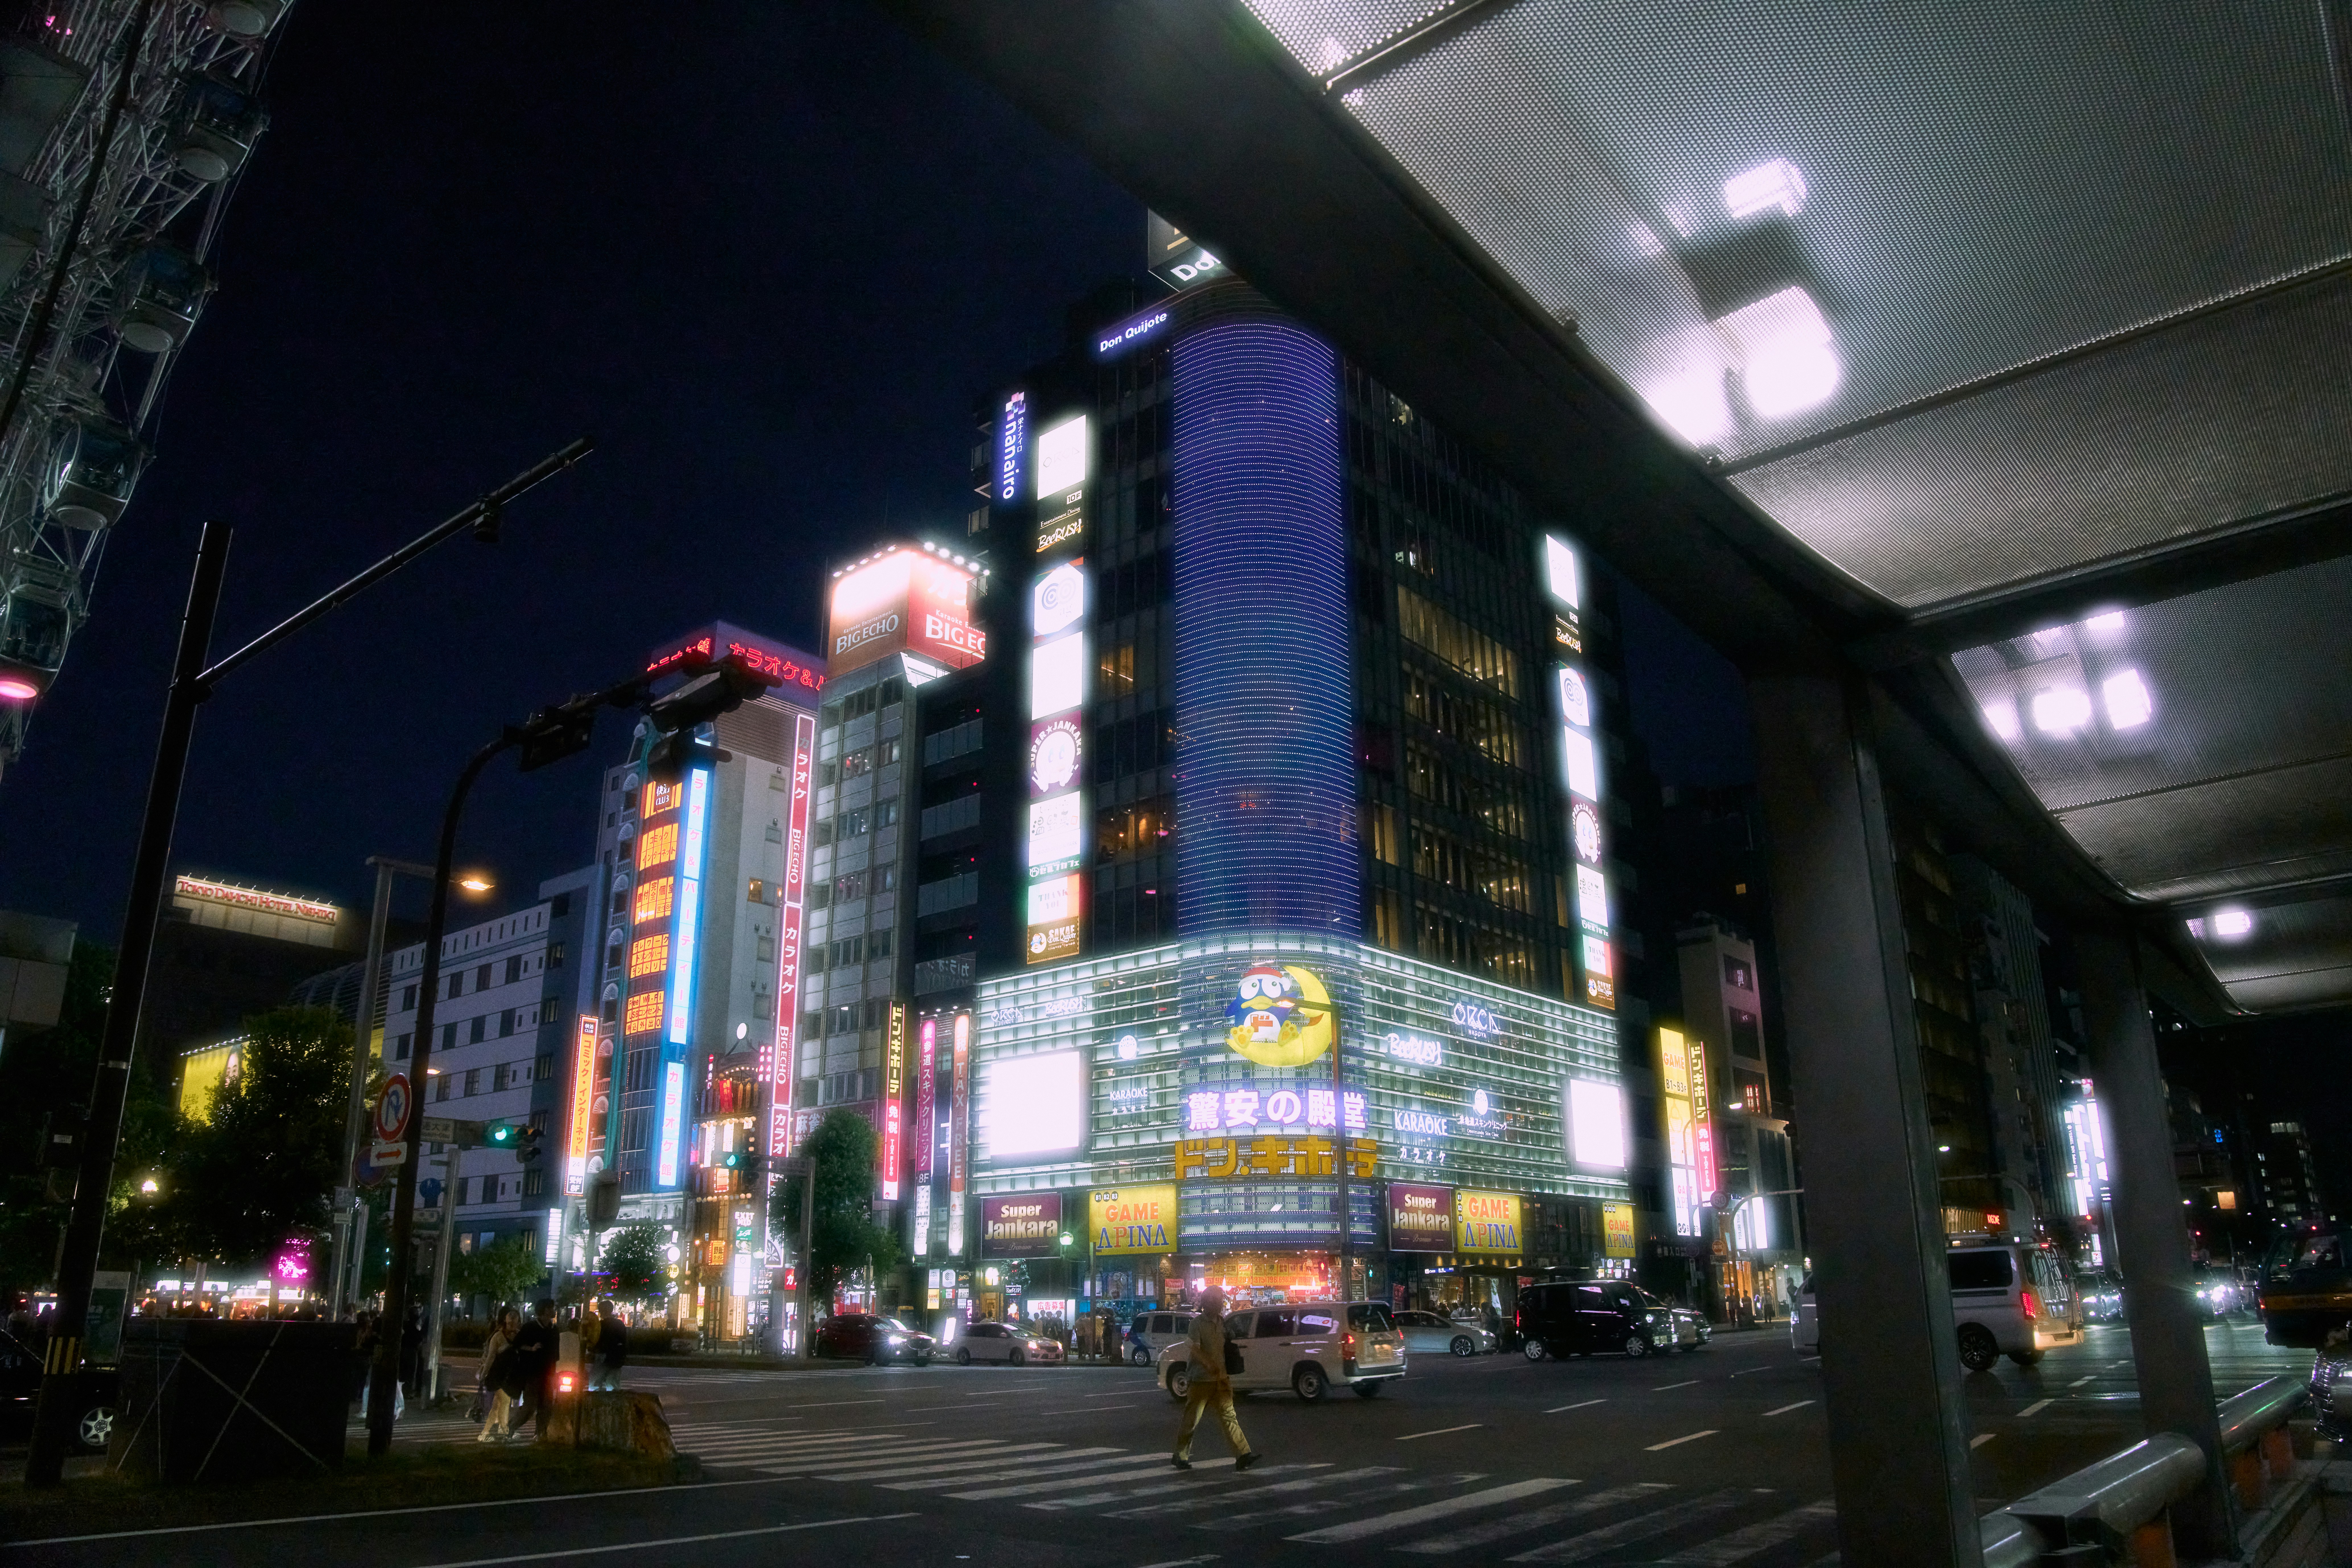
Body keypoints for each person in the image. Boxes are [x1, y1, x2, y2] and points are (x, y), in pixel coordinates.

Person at [1171, 1288, 1257, 1472]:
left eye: (1221, 1300)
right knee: (1192, 1420)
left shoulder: (1222, 1323)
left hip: (1221, 1380)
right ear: (1206, 1303)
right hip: (1201, 1381)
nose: (1220, 1304)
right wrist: (1209, 1365)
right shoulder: (1197, 1324)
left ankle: (1243, 1455)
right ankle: (1180, 1456)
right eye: (1217, 1301)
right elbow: (1194, 1349)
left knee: (1230, 1417)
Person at [510, 1298, 558, 1434]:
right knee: (530, 1406)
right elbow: (517, 1345)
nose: (554, 1310)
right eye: (552, 1308)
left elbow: (556, 1354)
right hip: (532, 1373)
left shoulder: (554, 1329)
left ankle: (541, 1434)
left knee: (547, 1405)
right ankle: (511, 1427)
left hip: (549, 1374)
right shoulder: (531, 1327)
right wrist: (531, 1349)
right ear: (545, 1310)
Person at [477, 1308, 521, 1443]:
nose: (513, 1327)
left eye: (515, 1324)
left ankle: (490, 1432)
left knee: (499, 1405)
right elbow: (490, 1358)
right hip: (498, 1376)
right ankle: (502, 1432)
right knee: (503, 1403)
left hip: (508, 1377)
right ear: (505, 1322)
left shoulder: (519, 1336)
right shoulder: (498, 1337)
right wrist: (484, 1375)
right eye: (510, 1324)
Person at [591, 1300, 628, 1391]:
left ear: (601, 1311)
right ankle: (613, 1404)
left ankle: (594, 1403)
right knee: (613, 1386)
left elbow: (595, 1341)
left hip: (602, 1356)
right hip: (616, 1357)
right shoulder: (620, 1324)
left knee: (595, 1384)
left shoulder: (600, 1325)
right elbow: (624, 1341)